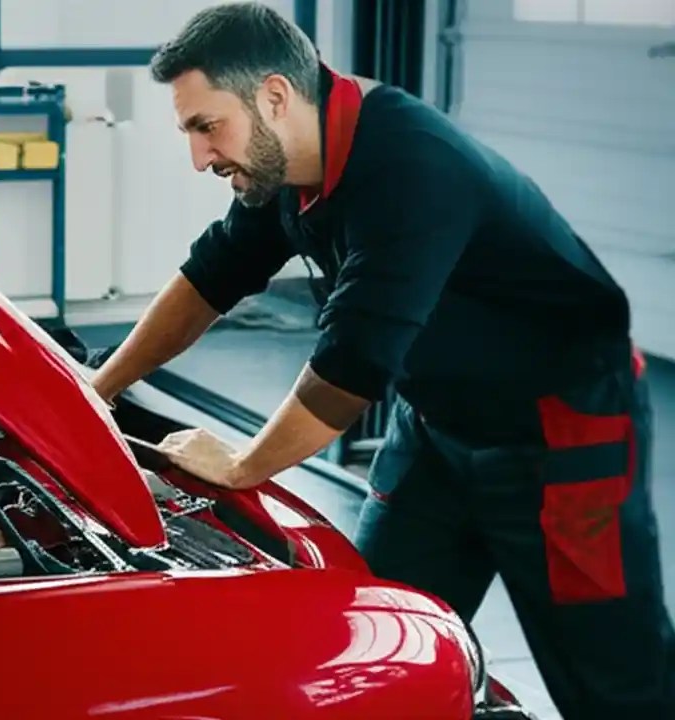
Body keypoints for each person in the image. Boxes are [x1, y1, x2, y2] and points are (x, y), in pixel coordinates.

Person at [89, 2, 675, 718]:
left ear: (274, 96)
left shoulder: (410, 166)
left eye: (207, 126)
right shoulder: (284, 168)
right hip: (433, 422)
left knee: (615, 681)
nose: (200, 156)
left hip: (563, 431)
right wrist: (97, 387)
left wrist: (244, 467)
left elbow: (352, 365)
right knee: (373, 638)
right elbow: (210, 277)